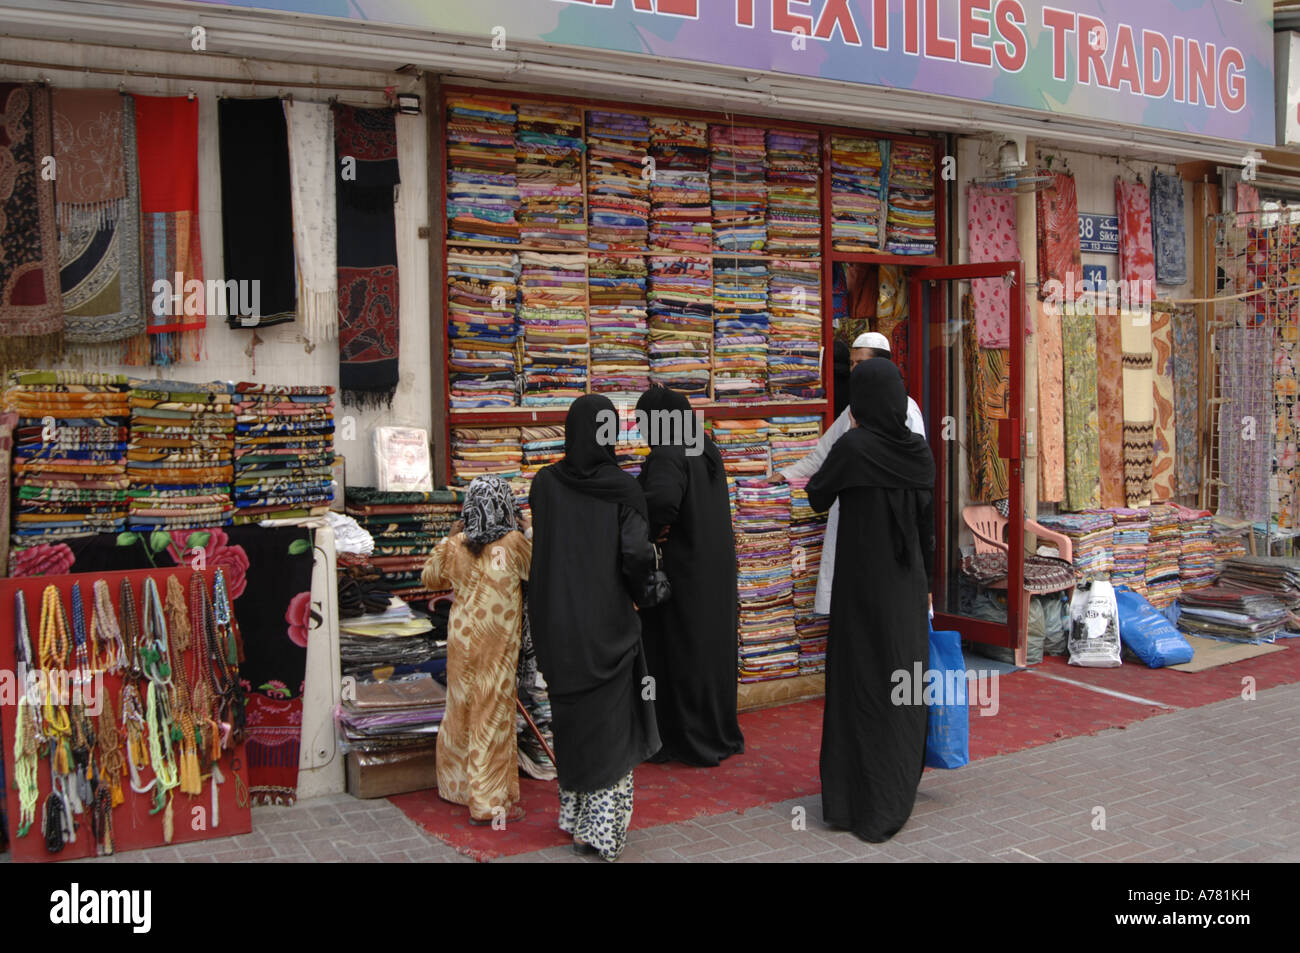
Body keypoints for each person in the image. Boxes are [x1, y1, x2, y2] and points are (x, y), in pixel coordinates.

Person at [527, 393, 662, 861]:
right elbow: (636, 556)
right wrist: (649, 594)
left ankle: (575, 819)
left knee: (572, 722)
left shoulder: (545, 484)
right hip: (605, 626)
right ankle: (601, 831)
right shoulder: (622, 489)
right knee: (609, 726)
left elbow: (544, 551)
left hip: (557, 624)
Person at [806, 358, 936, 842]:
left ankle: (851, 802)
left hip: (860, 588)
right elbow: (927, 528)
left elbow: (817, 495)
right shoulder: (919, 451)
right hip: (905, 588)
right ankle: (893, 795)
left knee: (858, 685)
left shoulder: (854, 447)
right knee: (901, 684)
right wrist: (927, 588)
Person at [634, 385, 744, 766]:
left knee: (678, 653)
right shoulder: (703, 445)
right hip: (713, 569)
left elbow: (661, 500)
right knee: (709, 652)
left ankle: (684, 738)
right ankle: (717, 733)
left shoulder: (669, 453)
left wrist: (647, 525)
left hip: (683, 572)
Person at [779, 331, 925, 615]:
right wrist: (784, 476)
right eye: (852, 363)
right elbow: (821, 455)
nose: (853, 370)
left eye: (861, 363)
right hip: (855, 521)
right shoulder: (852, 413)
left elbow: (914, 473)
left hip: (891, 523)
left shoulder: (907, 412)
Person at [420, 475, 531, 825]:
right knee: (491, 714)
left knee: (460, 706)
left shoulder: (458, 545)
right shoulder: (512, 543)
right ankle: (487, 802)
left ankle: (457, 787)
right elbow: (537, 571)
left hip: (461, 638)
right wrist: (527, 530)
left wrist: (449, 538)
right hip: (495, 643)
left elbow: (429, 577)